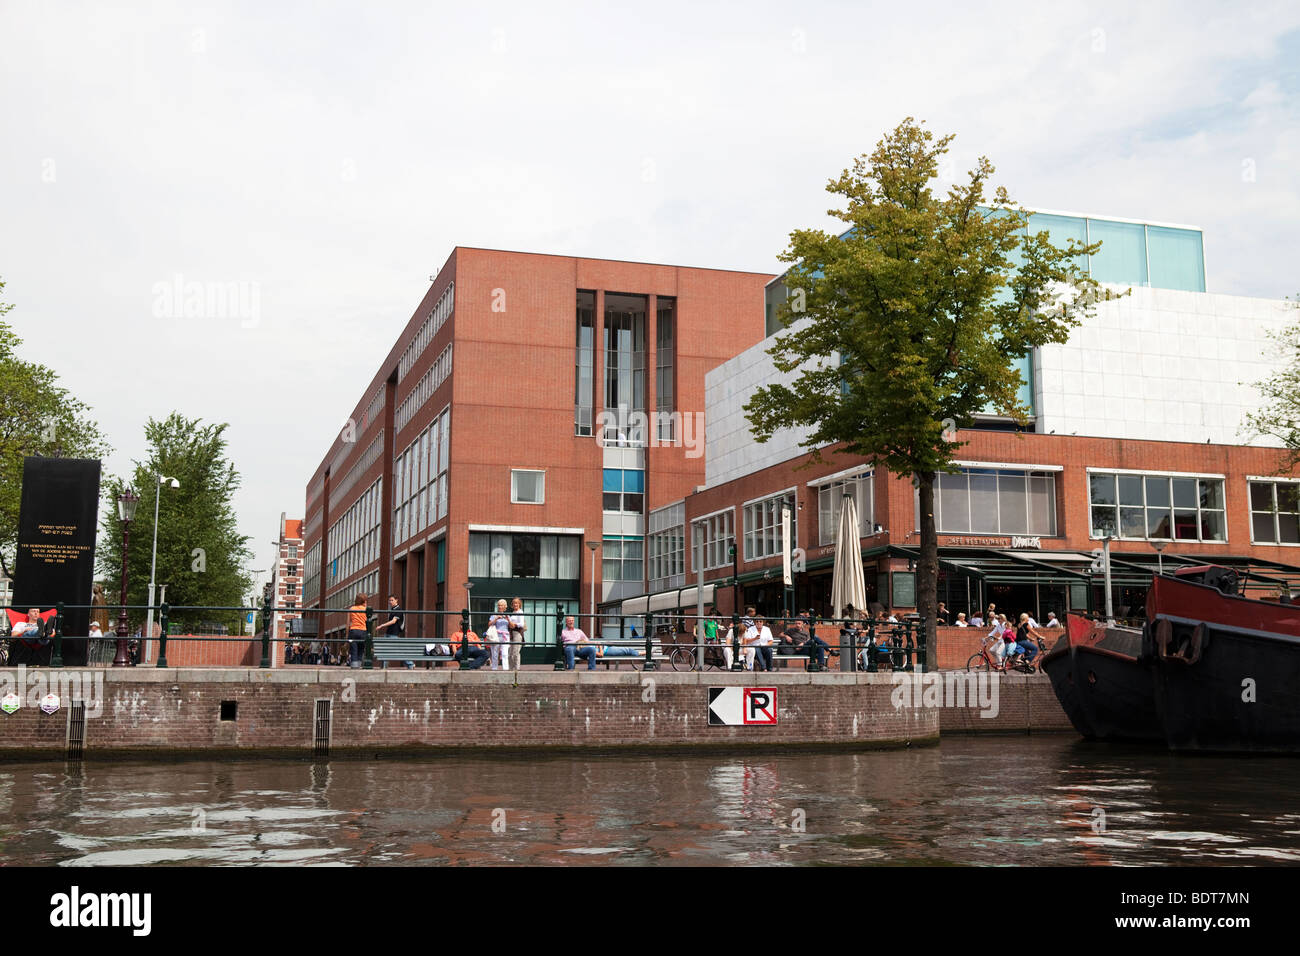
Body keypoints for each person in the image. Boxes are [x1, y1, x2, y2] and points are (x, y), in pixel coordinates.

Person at [378, 596, 409, 668]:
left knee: (398, 650)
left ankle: (410, 663)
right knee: (385, 650)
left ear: (396, 600)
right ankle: (384, 666)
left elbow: (393, 621)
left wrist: (382, 625)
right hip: (388, 633)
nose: (390, 602)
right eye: (389, 600)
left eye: (392, 600)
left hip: (394, 634)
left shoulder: (398, 610)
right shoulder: (393, 609)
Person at [487, 599, 512, 671]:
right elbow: (489, 624)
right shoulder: (494, 615)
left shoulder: (507, 615)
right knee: (495, 653)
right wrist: (496, 618)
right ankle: (494, 668)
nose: (500, 607)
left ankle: (505, 668)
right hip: (496, 635)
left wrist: (508, 620)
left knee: (505, 653)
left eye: (501, 605)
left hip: (505, 636)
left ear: (505, 607)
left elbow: (511, 626)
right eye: (499, 605)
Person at [347, 594, 368, 669]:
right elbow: (367, 621)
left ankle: (354, 665)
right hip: (363, 630)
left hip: (353, 630)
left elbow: (348, 623)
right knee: (361, 648)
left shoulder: (352, 608)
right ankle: (358, 664)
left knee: (354, 648)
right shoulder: (366, 609)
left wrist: (347, 634)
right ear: (364, 601)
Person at [508, 597, 527, 670]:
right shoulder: (513, 612)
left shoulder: (520, 612)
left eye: (517, 603)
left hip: (517, 633)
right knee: (510, 653)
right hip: (512, 633)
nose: (515, 604)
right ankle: (511, 669)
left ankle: (516, 669)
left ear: (519, 604)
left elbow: (521, 624)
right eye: (514, 603)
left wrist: (514, 624)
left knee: (515, 652)